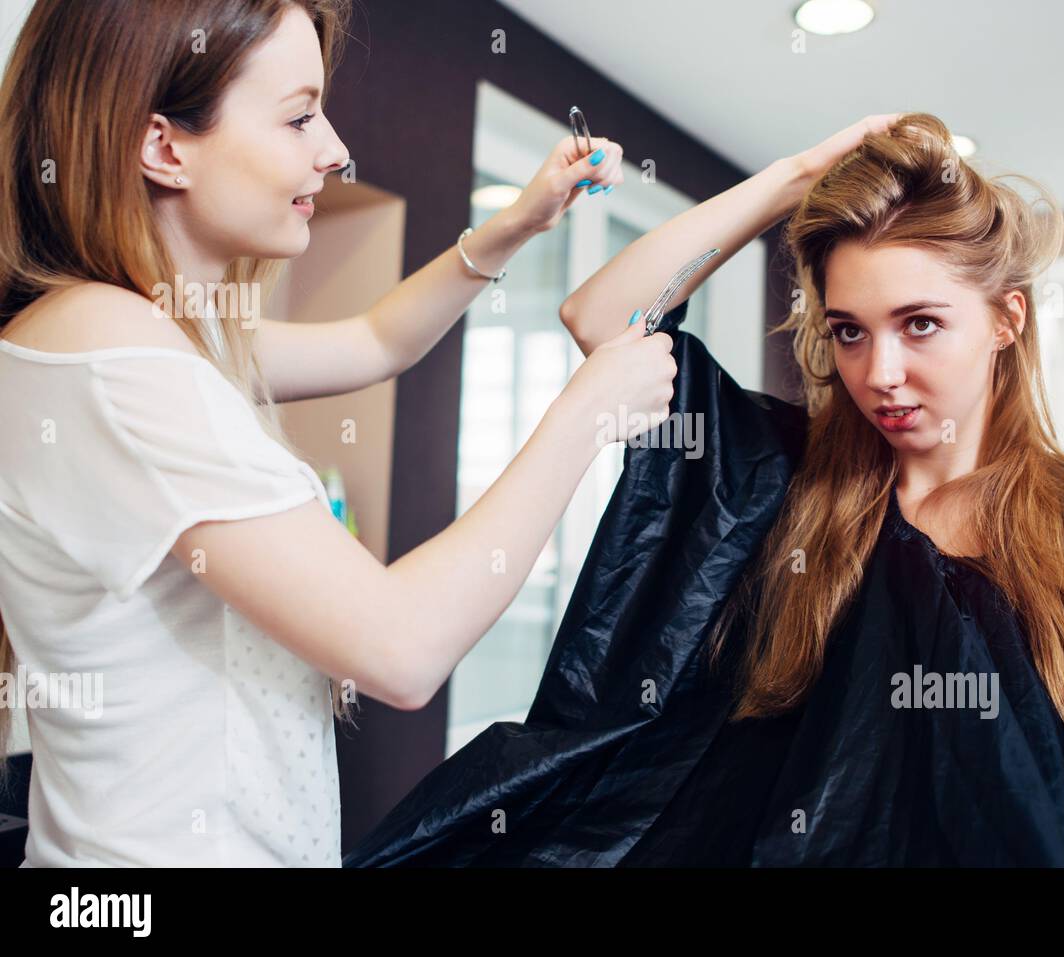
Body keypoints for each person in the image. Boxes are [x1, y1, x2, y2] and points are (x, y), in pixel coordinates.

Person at [342, 113, 1064, 867]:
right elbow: (603, 316)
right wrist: (796, 181)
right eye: (848, 330)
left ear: (1007, 319)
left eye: (920, 324)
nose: (878, 371)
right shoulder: (782, 476)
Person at [0, 0, 676, 867]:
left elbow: (375, 342)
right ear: (163, 146)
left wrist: (516, 223)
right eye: (298, 116)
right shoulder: (112, 355)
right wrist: (589, 408)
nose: (335, 147)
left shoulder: (118, 335)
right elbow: (401, 645)